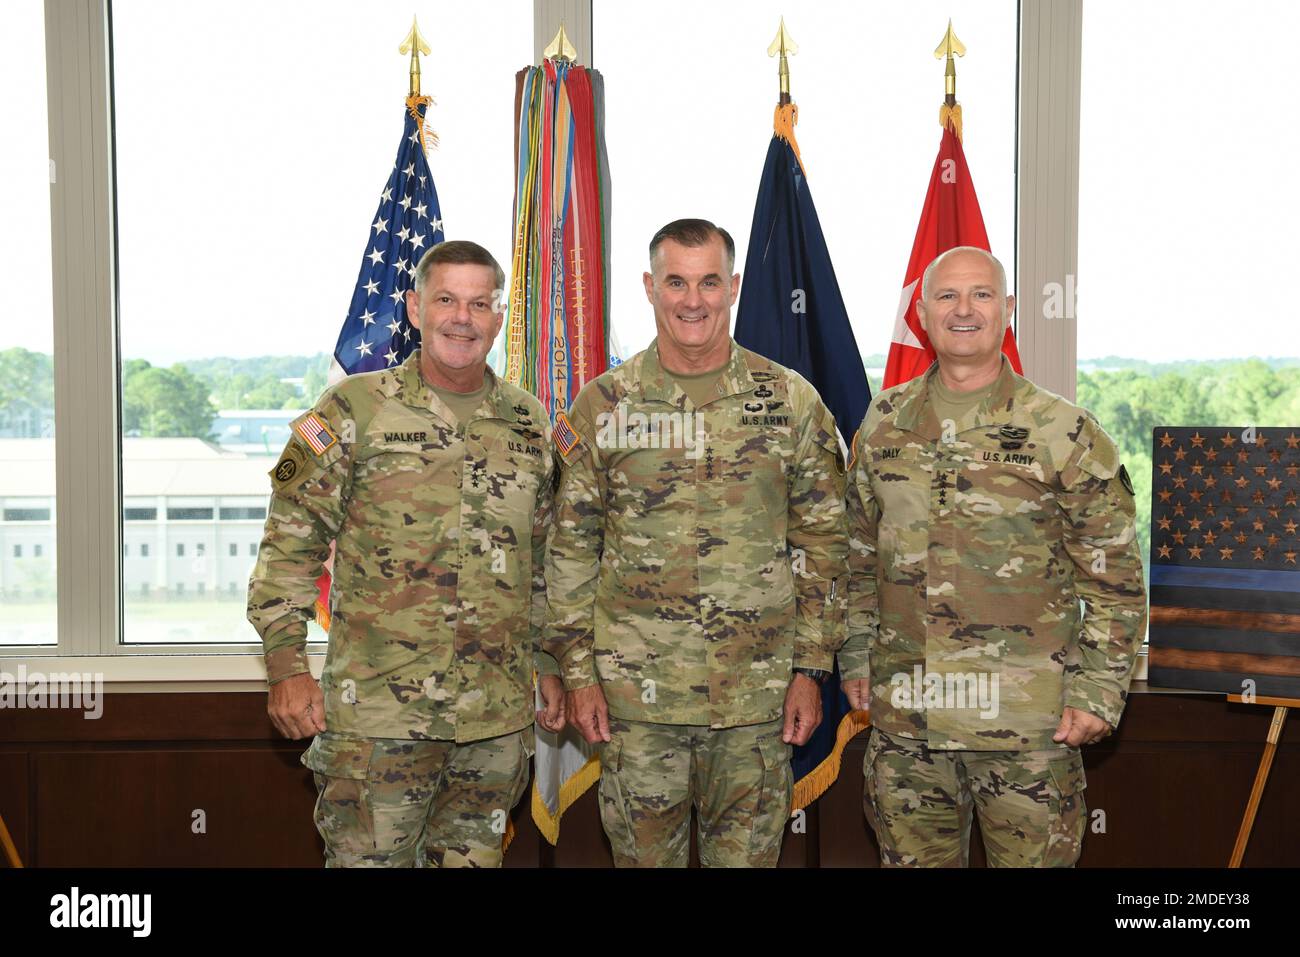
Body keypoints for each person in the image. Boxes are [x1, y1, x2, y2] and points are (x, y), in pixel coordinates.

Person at [247, 240, 566, 867]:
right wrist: (286, 666)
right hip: (378, 719)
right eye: (446, 299)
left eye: (480, 303)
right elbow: (291, 544)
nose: (462, 318)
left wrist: (550, 660)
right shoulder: (353, 409)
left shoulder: (528, 422)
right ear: (416, 308)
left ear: (499, 316)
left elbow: (543, 563)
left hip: (492, 724)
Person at [545, 218, 848, 867]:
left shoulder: (791, 403)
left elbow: (826, 544)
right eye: (677, 282)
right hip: (637, 704)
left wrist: (811, 668)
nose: (693, 300)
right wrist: (577, 672)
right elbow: (568, 547)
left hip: (755, 703)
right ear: (650, 287)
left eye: (709, 281)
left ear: (733, 286)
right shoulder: (603, 405)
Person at [839, 246, 1147, 867]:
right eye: (947, 296)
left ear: (1007, 310)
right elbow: (856, 558)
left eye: (981, 295)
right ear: (922, 313)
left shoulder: (1064, 431)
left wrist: (1098, 690)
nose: (963, 310)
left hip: (1028, 725)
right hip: (909, 723)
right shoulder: (884, 423)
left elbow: (1116, 581)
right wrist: (853, 653)